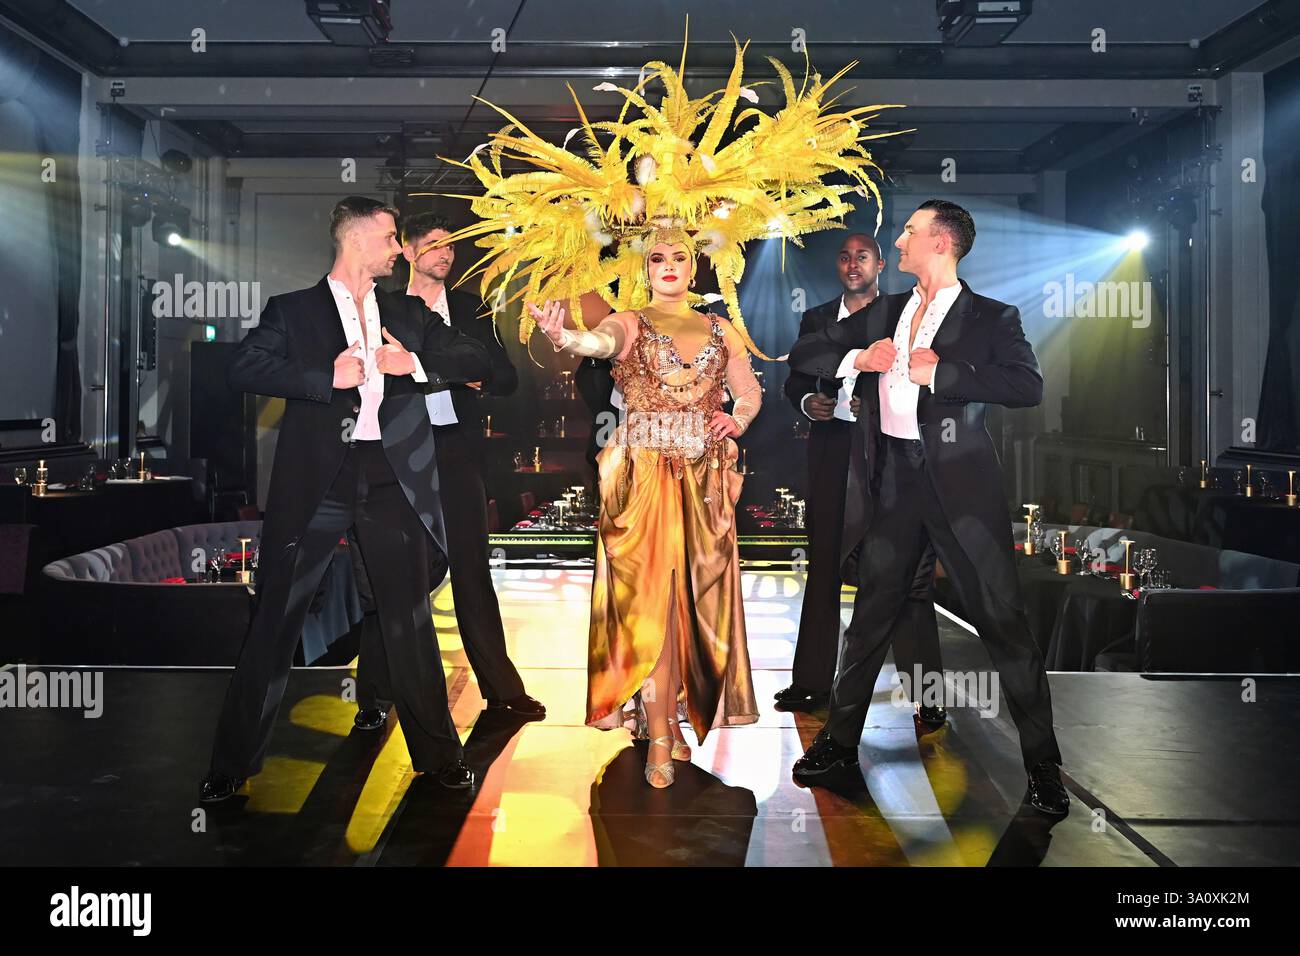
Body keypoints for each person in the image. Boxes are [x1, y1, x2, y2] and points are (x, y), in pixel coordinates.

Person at [200, 196, 492, 801]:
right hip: (319, 480)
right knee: (277, 618)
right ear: (358, 241)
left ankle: (439, 756)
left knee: (410, 620)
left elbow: (474, 357)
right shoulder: (294, 311)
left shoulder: (406, 312)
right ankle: (230, 765)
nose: (397, 249)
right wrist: (320, 380)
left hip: (389, 479)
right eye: (390, 238)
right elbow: (242, 369)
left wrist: (412, 363)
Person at [787, 200, 1070, 816]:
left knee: (1002, 621)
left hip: (961, 489)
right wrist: (858, 360)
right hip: (894, 481)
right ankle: (838, 745)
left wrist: (944, 372)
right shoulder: (886, 310)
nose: (900, 240)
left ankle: (1044, 767)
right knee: (870, 616)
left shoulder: (993, 318)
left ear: (939, 243)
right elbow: (806, 351)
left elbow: (1027, 385)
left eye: (910, 232)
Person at [529, 226, 762, 787]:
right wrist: (566, 338)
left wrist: (739, 418)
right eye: (657, 258)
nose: (668, 265)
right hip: (644, 477)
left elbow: (749, 390)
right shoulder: (630, 321)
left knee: (693, 602)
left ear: (695, 266)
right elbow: (598, 345)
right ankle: (658, 729)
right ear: (644, 268)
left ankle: (672, 717)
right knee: (649, 602)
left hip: (705, 480)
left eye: (679, 257)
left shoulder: (719, 327)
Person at [351, 212, 545, 731]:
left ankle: (503, 690)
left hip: (456, 449)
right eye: (436, 243)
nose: (447, 253)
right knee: (390, 575)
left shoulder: (469, 308)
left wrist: (466, 375)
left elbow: (504, 376)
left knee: (471, 568)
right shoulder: (382, 307)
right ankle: (373, 695)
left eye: (452, 245)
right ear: (409, 251)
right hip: (397, 452)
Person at [779, 234, 946, 731]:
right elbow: (795, 377)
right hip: (833, 451)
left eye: (864, 256)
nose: (853, 265)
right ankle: (811, 682)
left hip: (891, 455)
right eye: (846, 257)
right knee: (824, 563)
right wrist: (809, 403)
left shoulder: (904, 314)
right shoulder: (817, 320)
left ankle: (927, 694)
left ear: (879, 265)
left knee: (908, 576)